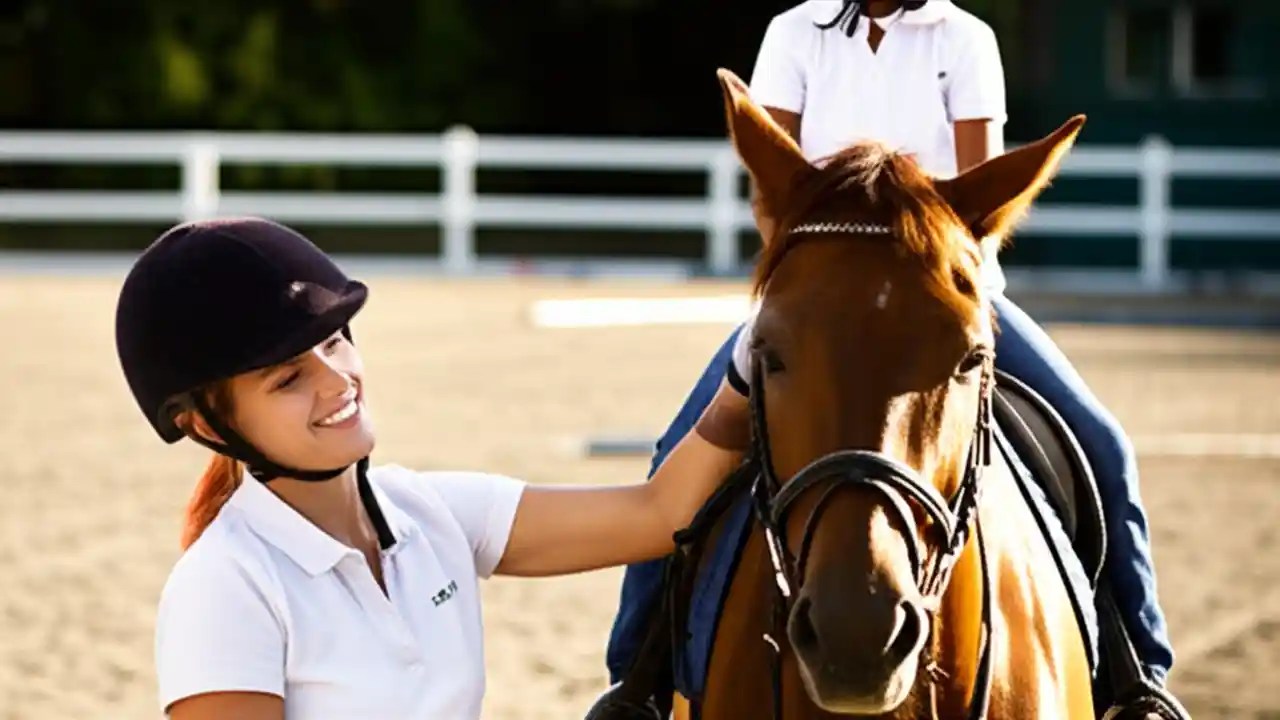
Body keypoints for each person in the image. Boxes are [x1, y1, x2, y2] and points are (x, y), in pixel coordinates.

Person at [602, 0, 1174, 707]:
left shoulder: (965, 38)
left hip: (938, 287)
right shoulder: (793, 32)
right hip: (818, 291)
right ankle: (638, 682)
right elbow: (771, 198)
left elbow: (979, 198)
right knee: (674, 457)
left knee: (1103, 446)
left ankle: (1140, 679)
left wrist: (935, 274)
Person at [116, 217, 755, 719]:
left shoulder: (429, 512)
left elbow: (659, 513)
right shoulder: (225, 587)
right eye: (289, 378)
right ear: (206, 424)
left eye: (336, 342)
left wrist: (747, 366)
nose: (338, 381)